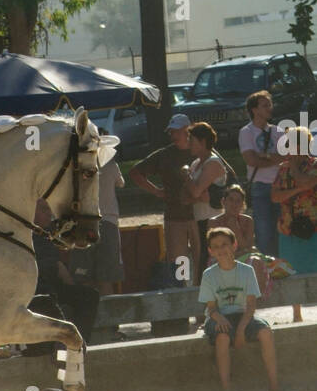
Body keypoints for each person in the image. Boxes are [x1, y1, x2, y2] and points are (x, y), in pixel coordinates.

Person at [199, 226, 288, 391]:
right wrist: (220, 319)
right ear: (210, 251)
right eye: (215, 246)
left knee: (265, 332)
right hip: (219, 317)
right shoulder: (209, 275)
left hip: (243, 315)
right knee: (222, 337)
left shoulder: (247, 271)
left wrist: (240, 330)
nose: (221, 249)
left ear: (234, 245)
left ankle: (274, 389)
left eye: (225, 244)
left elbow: (251, 306)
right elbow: (211, 309)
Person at [129, 114, 199, 284]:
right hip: (175, 216)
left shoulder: (201, 152)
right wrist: (156, 191)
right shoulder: (164, 155)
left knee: (201, 257)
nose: (173, 136)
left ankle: (201, 289)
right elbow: (135, 173)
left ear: (188, 131)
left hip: (199, 215)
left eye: (177, 132)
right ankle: (182, 290)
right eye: (171, 133)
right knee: (179, 261)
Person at [31, 198, 100, 344]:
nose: (49, 214)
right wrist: (56, 265)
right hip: (36, 289)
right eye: (44, 209)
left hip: (54, 285)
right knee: (49, 301)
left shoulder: (49, 231)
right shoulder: (25, 233)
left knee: (89, 295)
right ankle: (61, 345)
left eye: (49, 209)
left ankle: (80, 343)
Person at [68, 132, 124, 295]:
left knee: (82, 277)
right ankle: (113, 319)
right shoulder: (111, 165)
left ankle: (87, 315)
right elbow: (120, 183)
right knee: (106, 278)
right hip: (108, 222)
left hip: (83, 222)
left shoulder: (77, 165)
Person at [239, 90, 283, 258]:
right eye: (265, 105)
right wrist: (274, 158)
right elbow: (250, 160)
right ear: (254, 110)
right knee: (264, 233)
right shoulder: (246, 132)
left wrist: (263, 156)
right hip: (260, 188)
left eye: (270, 104)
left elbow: (286, 156)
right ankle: (267, 269)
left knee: (281, 229)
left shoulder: (278, 131)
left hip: (279, 186)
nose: (269, 108)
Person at [270, 124, 317, 282]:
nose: (287, 148)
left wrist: (295, 167)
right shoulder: (283, 169)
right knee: (290, 274)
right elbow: (275, 196)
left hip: (312, 228)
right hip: (288, 228)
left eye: (290, 144)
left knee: (313, 272)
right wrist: (297, 191)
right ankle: (296, 308)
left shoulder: (314, 164)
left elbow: (306, 182)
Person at [184, 121, 227, 276]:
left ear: (202, 142)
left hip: (211, 221)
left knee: (209, 261)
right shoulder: (196, 164)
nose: (188, 143)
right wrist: (197, 195)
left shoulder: (213, 163)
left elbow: (194, 192)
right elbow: (190, 195)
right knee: (200, 261)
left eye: (191, 140)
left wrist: (186, 175)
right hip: (197, 219)